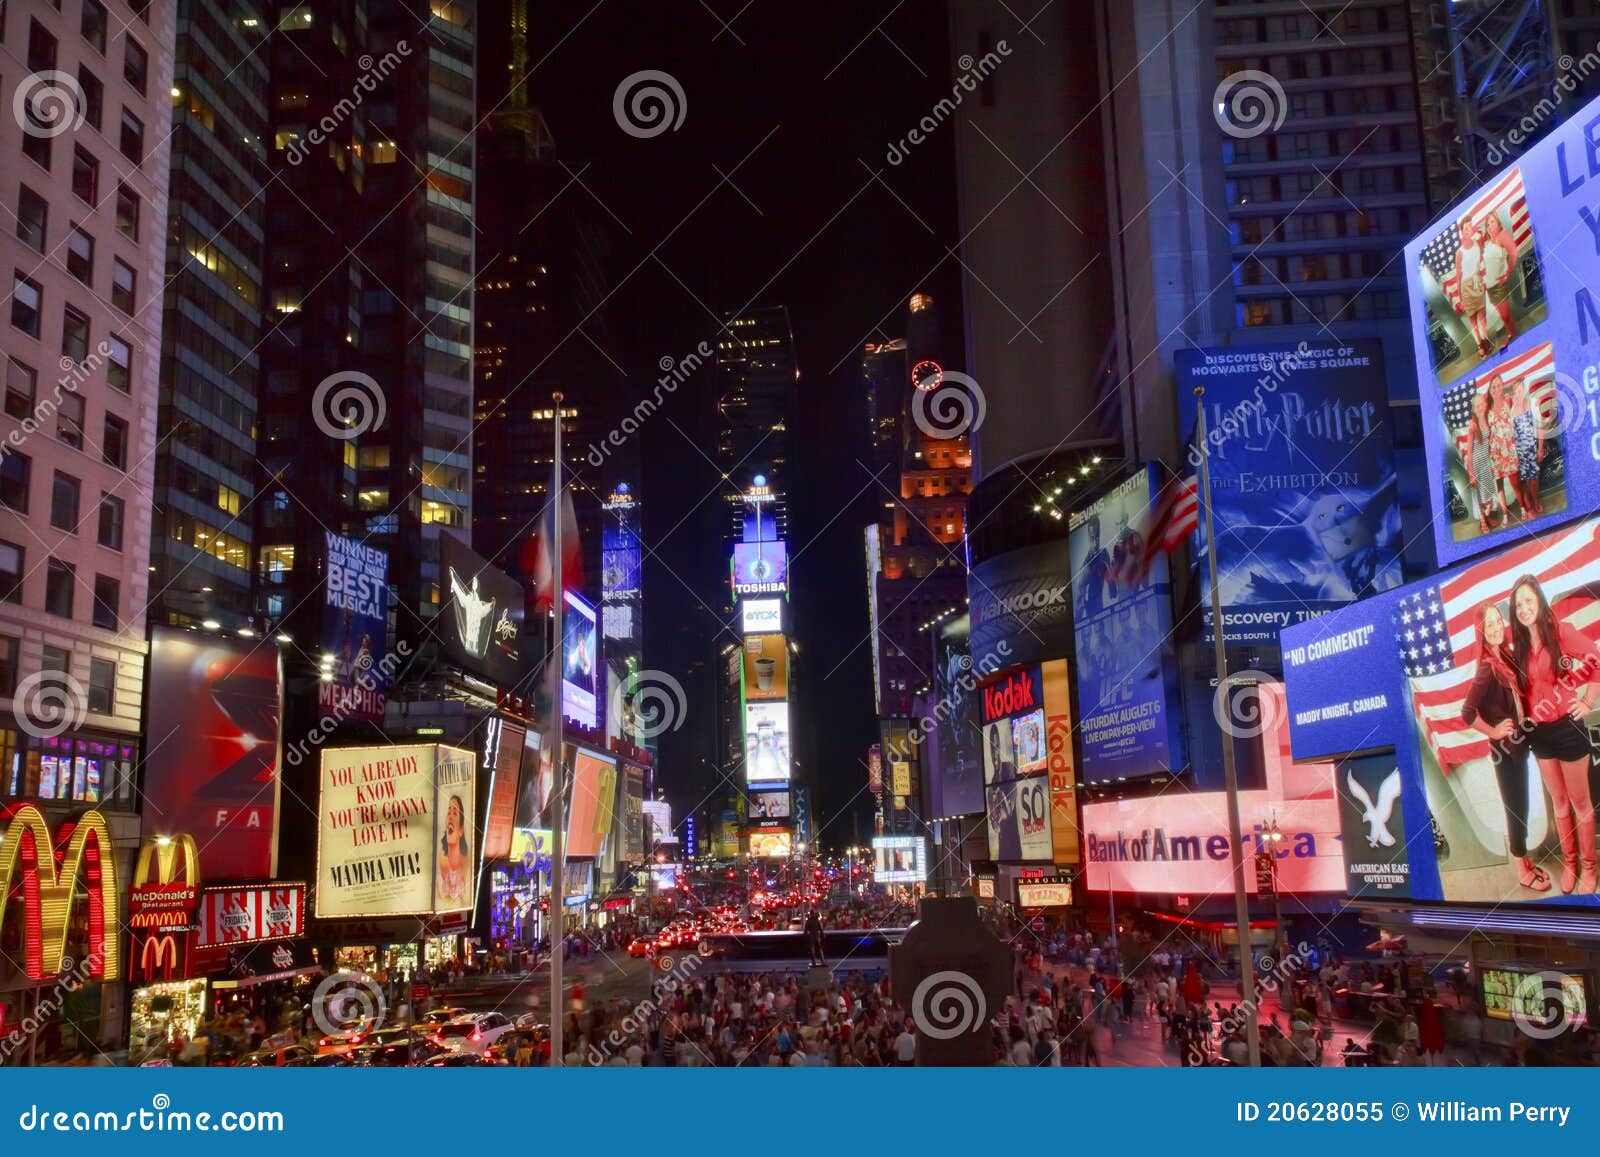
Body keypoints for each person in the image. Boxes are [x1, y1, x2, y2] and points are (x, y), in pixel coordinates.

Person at [1510, 574, 1600, 893]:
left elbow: (1596, 658)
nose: (1524, 608)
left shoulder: (1561, 632)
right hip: (1540, 736)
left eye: (1529, 601)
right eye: (1518, 604)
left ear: (1540, 601)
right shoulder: (1517, 646)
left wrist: (1588, 700)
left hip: (1568, 729)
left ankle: (1590, 868)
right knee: (1559, 804)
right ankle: (1571, 863)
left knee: (1580, 803)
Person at [1461, 601, 1550, 891]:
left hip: (1520, 745)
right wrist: (1494, 732)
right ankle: (1521, 871)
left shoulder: (1506, 656)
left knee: (1522, 804)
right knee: (1516, 808)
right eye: (1490, 624)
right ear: (1482, 632)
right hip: (1505, 752)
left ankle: (1524, 861)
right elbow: (1467, 713)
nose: (1497, 626)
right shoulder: (1487, 667)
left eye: (1498, 620)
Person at [1465, 390, 1508, 534]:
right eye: (1477, 406)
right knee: (1479, 497)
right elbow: (1469, 452)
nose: (1480, 407)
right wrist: (1471, 473)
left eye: (1481, 404)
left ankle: (1487, 515)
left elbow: (1490, 444)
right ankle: (1483, 521)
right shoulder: (1472, 426)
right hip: (1476, 464)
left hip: (1486, 463)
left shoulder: (1487, 420)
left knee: (1488, 494)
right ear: (1473, 409)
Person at [1487, 376, 1524, 520]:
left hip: (1509, 449)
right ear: (1490, 390)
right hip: (1495, 453)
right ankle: (1505, 515)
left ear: (1502, 386)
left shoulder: (1508, 400)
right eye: (1493, 386)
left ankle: (1522, 508)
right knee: (1499, 486)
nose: (1496, 389)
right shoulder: (1487, 409)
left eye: (1498, 385)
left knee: (1515, 482)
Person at [1511, 376, 1545, 516]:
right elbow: (1513, 436)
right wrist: (1515, 456)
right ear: (1514, 393)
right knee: (1524, 480)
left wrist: (1541, 448)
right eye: (1516, 391)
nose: (1518, 393)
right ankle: (1529, 504)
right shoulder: (1512, 411)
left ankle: (1536, 500)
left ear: (1524, 390)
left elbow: (1539, 427)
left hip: (1532, 448)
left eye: (1520, 390)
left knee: (1534, 480)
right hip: (1520, 451)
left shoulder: (1532, 404)